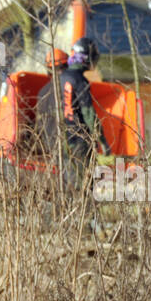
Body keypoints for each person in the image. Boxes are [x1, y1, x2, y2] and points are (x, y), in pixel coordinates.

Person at [57, 36, 112, 190]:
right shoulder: (80, 81)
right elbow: (89, 115)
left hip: (64, 138)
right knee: (86, 184)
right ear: (87, 58)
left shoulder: (62, 78)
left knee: (69, 181)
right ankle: (88, 212)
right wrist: (103, 141)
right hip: (81, 140)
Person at [31, 47, 68, 158]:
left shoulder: (42, 92)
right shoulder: (70, 88)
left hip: (50, 148)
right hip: (69, 147)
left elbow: (40, 125)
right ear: (66, 66)